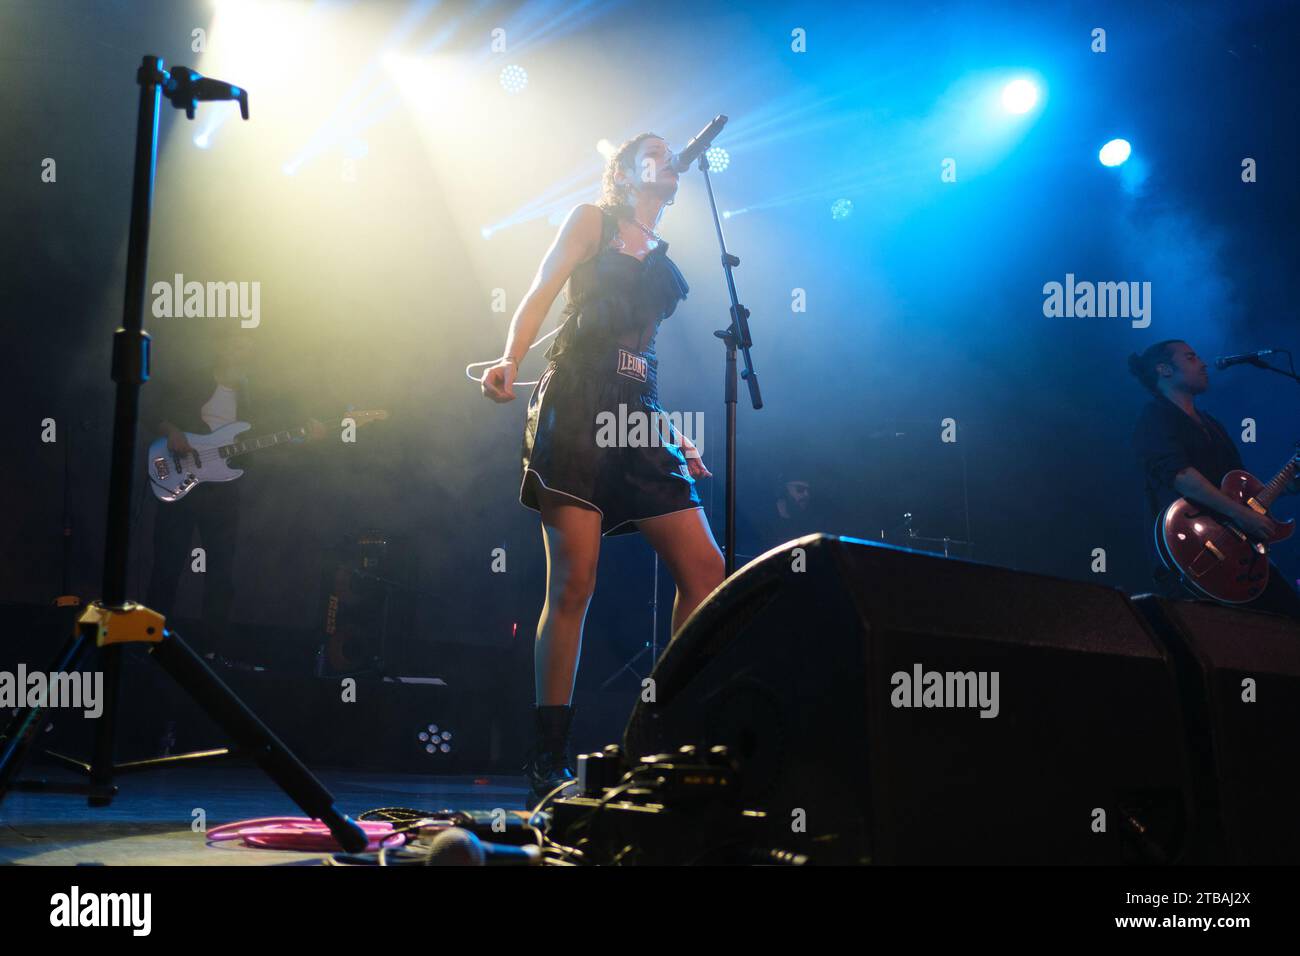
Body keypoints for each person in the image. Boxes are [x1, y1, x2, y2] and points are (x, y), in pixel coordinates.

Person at [481, 132, 726, 805]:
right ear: (622, 171)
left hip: (639, 411)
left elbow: (641, 359)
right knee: (575, 582)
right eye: (651, 149)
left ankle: (663, 733)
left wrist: (670, 430)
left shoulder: (663, 256)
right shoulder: (591, 220)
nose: (667, 157)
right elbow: (541, 288)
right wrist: (508, 357)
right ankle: (547, 755)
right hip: (578, 401)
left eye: (670, 152)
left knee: (706, 571)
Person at [1129, 339, 1300, 617]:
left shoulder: (1213, 424)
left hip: (1240, 555)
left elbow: (1242, 490)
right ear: (1164, 370)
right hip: (1194, 549)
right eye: (1191, 357)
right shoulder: (1155, 416)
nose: (1203, 363)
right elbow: (1180, 476)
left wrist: (1288, 485)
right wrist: (1242, 516)